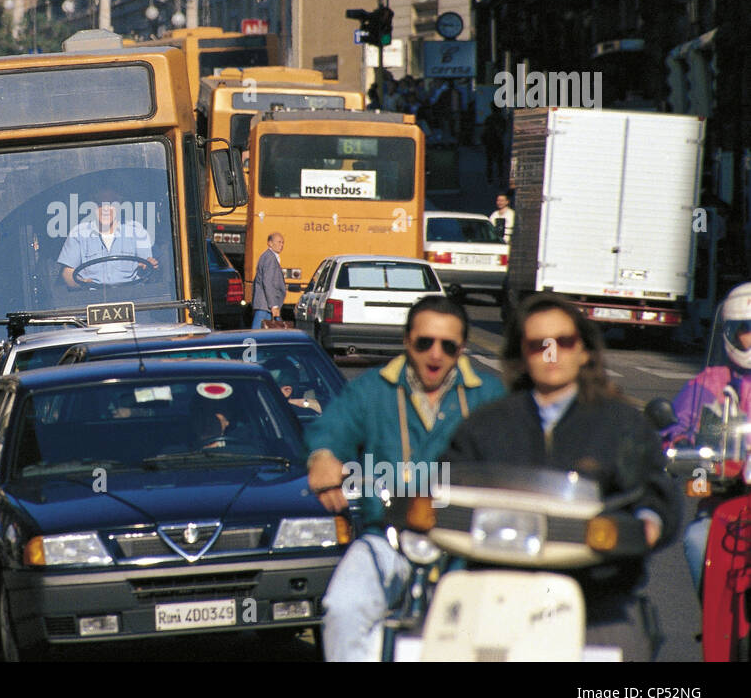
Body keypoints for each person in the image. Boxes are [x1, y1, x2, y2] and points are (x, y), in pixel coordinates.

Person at [446, 293, 679, 660]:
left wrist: (648, 521)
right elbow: (449, 482)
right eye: (539, 345)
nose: (552, 354)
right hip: (495, 590)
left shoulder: (622, 424)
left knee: (622, 649)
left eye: (564, 342)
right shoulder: (485, 424)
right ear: (521, 355)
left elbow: (655, 490)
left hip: (597, 595)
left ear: (584, 351)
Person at [305, 295, 505, 661]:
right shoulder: (372, 389)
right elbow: (332, 429)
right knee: (343, 607)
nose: (435, 354)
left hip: (465, 542)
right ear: (406, 340)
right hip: (387, 535)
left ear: (462, 349)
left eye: (448, 346)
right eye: (424, 342)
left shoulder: (490, 395)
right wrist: (323, 457)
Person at [661, 282, 751, 590]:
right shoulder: (712, 381)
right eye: (747, 328)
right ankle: (718, 630)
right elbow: (680, 422)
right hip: (724, 502)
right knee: (699, 539)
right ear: (730, 332)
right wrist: (678, 441)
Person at [57, 186, 158, 290]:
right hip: (91, 298)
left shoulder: (137, 230)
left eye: (111, 204)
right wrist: (82, 284)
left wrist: (148, 267)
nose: (105, 209)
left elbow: (147, 267)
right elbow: (68, 272)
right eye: (100, 204)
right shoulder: (78, 233)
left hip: (132, 295)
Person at [251, 232, 285, 329]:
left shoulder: (269, 256)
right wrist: (273, 305)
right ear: (270, 243)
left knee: (269, 332)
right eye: (278, 242)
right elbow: (268, 283)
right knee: (257, 334)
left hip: (266, 304)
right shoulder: (270, 258)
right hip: (266, 305)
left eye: (282, 242)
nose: (281, 245)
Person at [483, 104, 506, 183]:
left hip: (490, 141)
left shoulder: (488, 119)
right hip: (498, 141)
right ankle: (500, 178)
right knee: (500, 161)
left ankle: (490, 178)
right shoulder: (501, 119)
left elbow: (485, 130)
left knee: (490, 161)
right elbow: (504, 130)